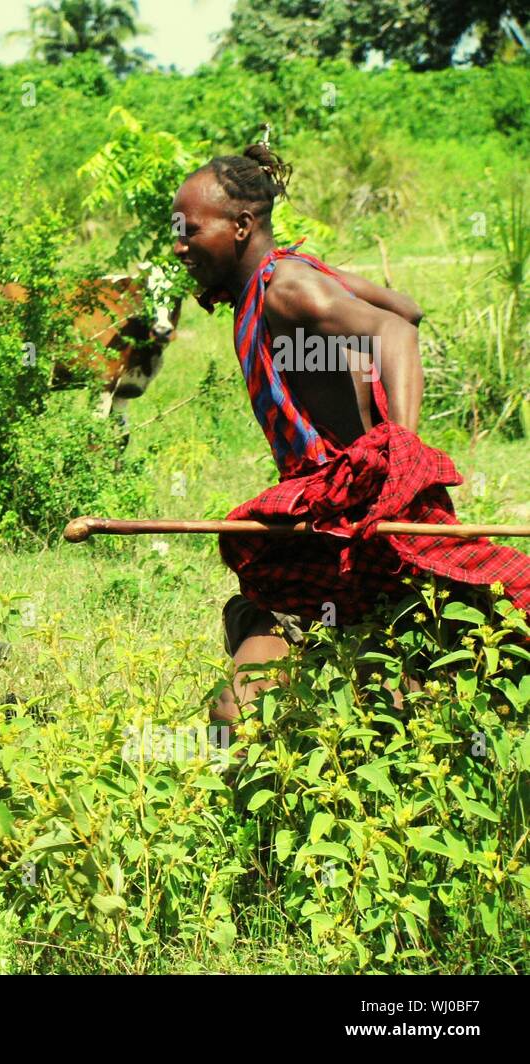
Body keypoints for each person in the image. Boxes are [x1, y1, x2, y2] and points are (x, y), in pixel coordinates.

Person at [169, 144, 530, 724]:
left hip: (368, 510)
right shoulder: (288, 277)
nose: (179, 245)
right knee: (388, 674)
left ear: (240, 227)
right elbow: (405, 306)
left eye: (190, 230)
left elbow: (393, 332)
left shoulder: (288, 287)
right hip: (330, 517)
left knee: (456, 654)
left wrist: (399, 449)